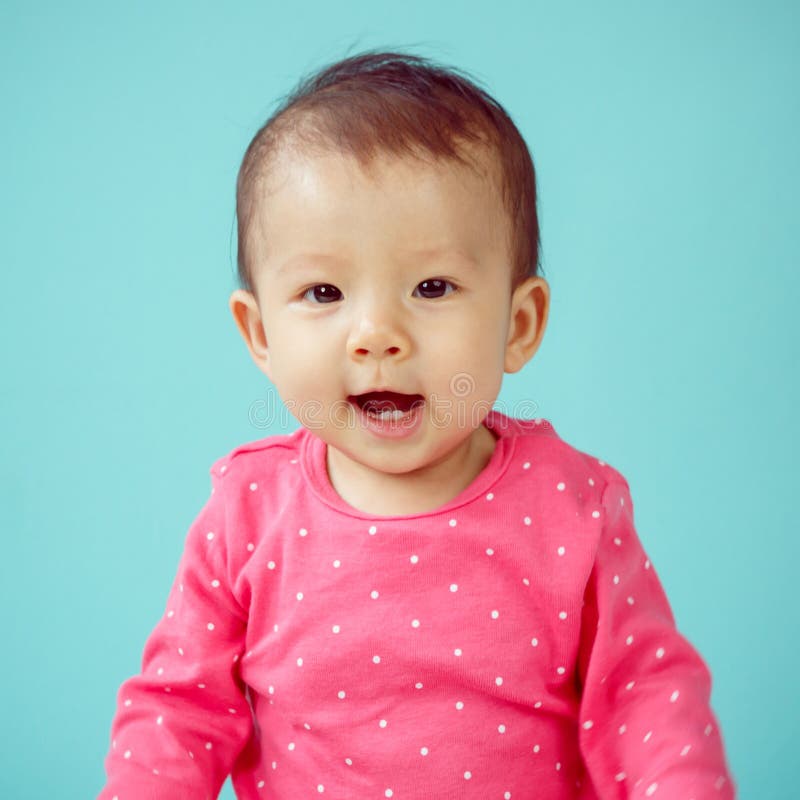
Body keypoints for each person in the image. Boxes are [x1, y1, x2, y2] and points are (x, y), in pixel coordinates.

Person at [98, 49, 735, 799]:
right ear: (260, 333)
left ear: (519, 323)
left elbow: (645, 700)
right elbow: (178, 716)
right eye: (324, 290)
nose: (376, 333)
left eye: (432, 286)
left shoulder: (573, 508)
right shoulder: (247, 515)